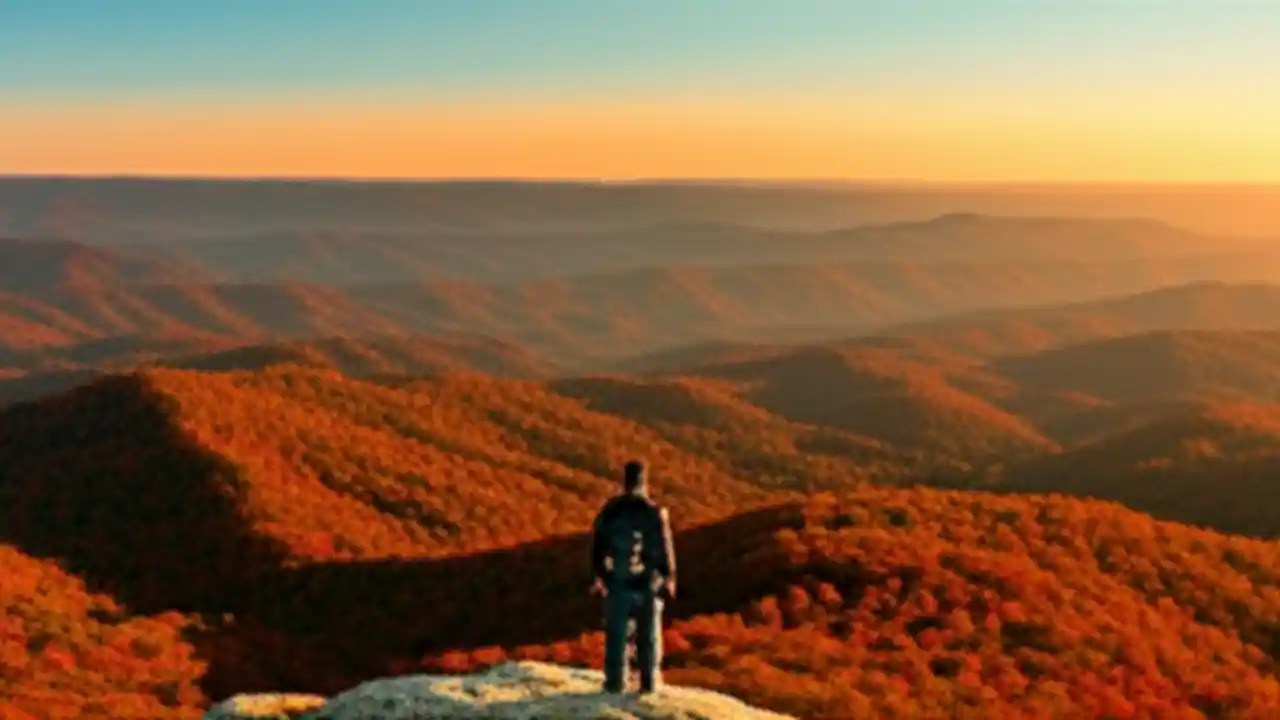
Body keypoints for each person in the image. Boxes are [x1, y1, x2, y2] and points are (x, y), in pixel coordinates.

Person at [589, 459, 676, 694]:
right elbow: (664, 547)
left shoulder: (611, 510)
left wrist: (599, 575)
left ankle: (615, 684)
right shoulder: (654, 512)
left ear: (624, 481)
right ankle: (649, 684)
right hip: (648, 583)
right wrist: (669, 577)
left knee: (616, 637)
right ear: (644, 481)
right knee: (648, 638)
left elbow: (597, 545)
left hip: (618, 581)